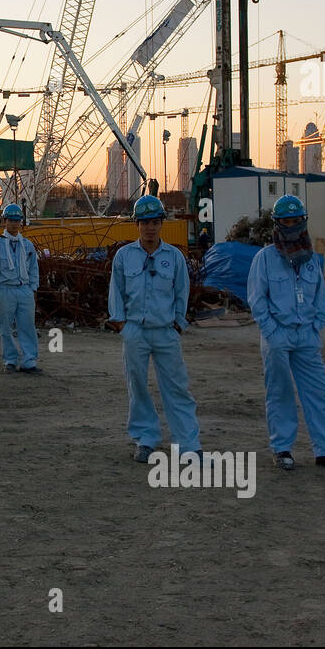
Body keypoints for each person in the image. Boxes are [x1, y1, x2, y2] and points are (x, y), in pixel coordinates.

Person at [247, 195, 325, 475]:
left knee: (319, 393)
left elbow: (321, 297)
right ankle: (282, 449)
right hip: (278, 336)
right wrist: (272, 331)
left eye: (296, 220)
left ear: (303, 222)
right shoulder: (265, 258)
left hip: (306, 336)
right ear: (277, 224)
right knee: (280, 393)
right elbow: (257, 299)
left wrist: (315, 326)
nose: (291, 226)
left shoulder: (312, 260)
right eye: (285, 221)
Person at [106, 195, 201, 462]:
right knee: (137, 386)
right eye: (145, 222)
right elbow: (117, 292)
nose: (150, 228)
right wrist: (122, 325)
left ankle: (189, 445)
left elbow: (182, 292)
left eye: (155, 222)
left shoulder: (174, 257)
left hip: (165, 331)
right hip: (135, 330)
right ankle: (145, 440)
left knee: (177, 388)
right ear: (137, 224)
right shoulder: (124, 257)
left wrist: (177, 325)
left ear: (162, 223)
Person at [0, 203, 40, 374]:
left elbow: (33, 268)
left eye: (17, 220)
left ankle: (29, 361)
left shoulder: (27, 245)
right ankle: (10, 360)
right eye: (11, 220)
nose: (14, 224)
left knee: (28, 326)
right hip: (5, 289)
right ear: (5, 221)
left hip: (24, 290)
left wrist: (32, 287)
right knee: (6, 327)